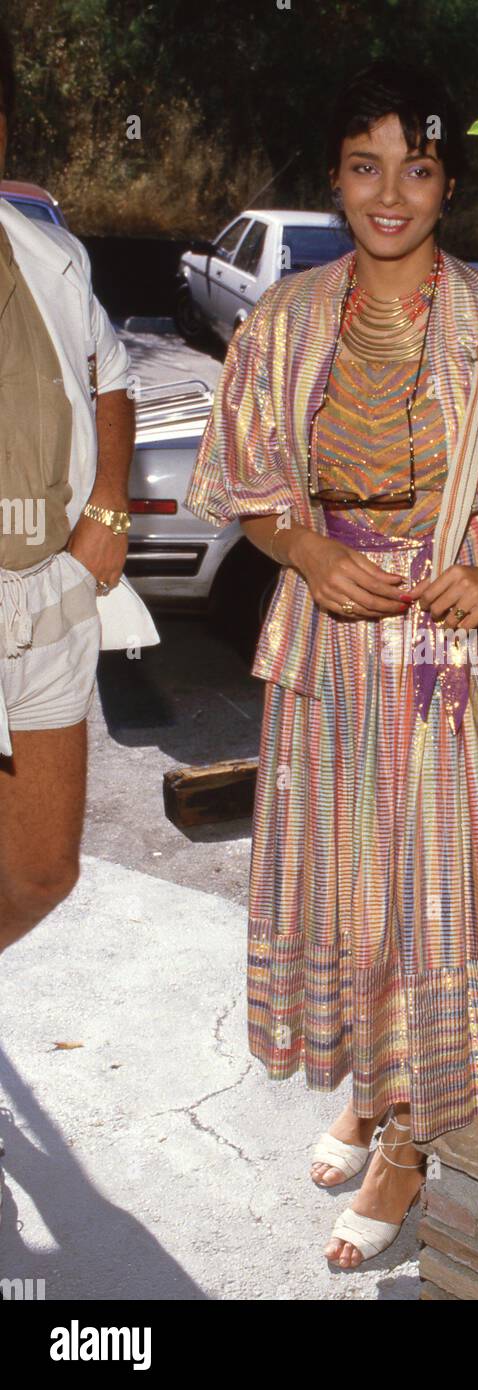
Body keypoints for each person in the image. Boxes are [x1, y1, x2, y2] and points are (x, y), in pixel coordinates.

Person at [184, 59, 478, 1270]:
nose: (390, 192)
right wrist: (300, 551)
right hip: (331, 660)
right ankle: (373, 1083)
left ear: (450, 181)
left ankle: (407, 1138)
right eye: (364, 164)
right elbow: (247, 489)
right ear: (334, 176)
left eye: (418, 165)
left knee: (430, 901)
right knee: (347, 886)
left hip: (455, 667)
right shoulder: (285, 320)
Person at [0, 21, 158, 956]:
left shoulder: (44, 253)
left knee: (43, 871)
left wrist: (107, 513)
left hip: (47, 597)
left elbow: (114, 373)